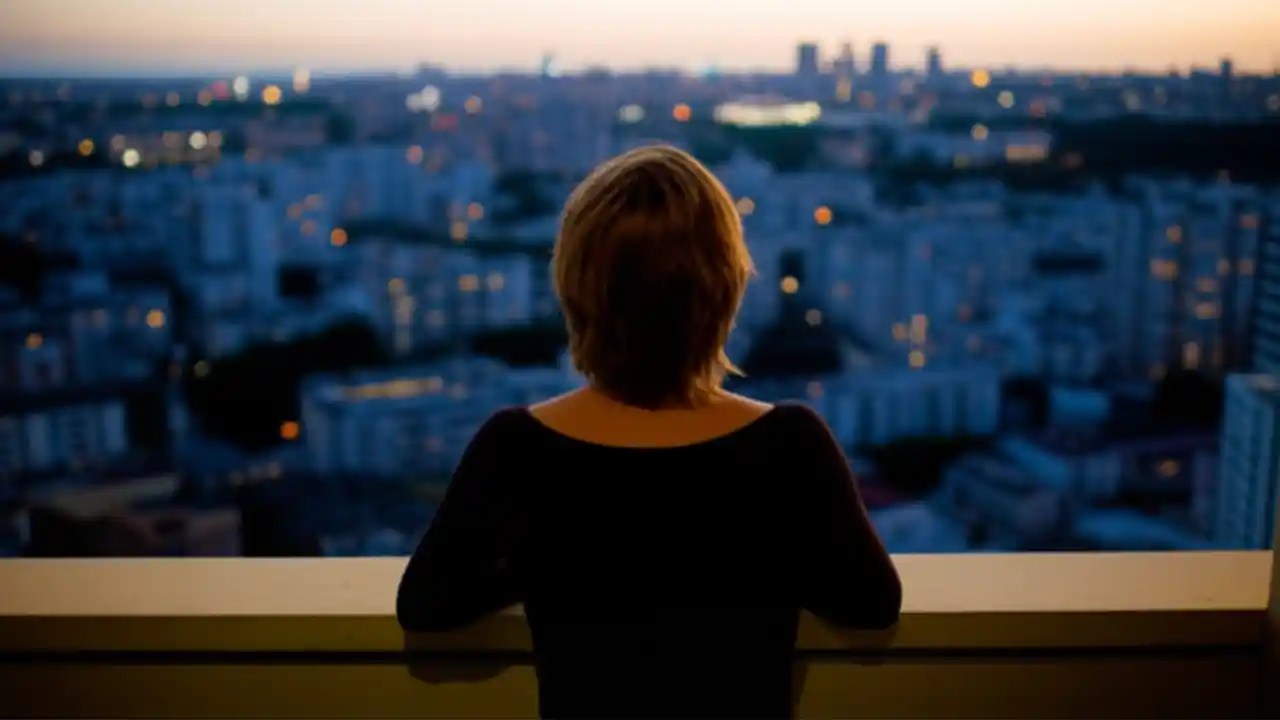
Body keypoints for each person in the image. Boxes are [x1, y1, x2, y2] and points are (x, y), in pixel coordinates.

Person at [397, 144, 901, 719]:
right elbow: (870, 603)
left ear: (577, 288)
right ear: (724, 287)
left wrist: (554, 563)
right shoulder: (788, 443)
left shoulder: (517, 447)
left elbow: (427, 604)